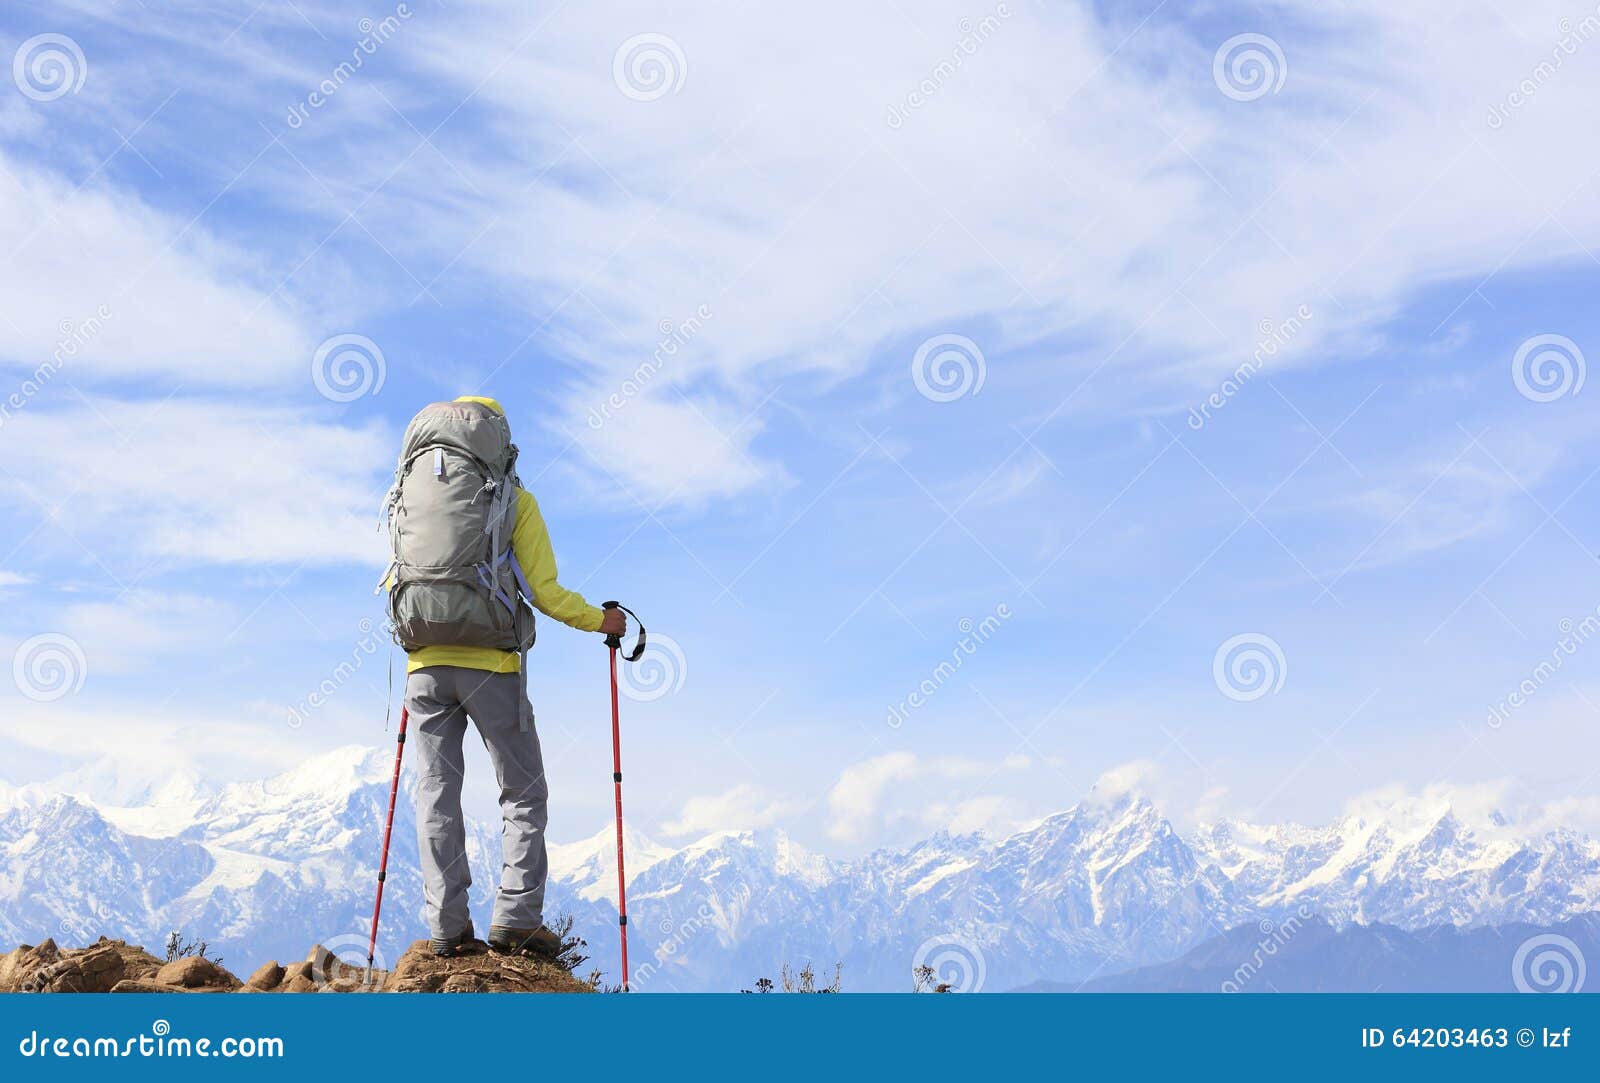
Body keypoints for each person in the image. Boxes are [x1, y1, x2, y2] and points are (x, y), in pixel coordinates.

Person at [390, 396, 625, 958]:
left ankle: (447, 929)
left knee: (435, 794)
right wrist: (602, 620)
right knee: (521, 793)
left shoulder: (409, 496)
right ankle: (516, 918)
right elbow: (545, 594)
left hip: (423, 664)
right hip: (491, 667)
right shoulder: (515, 502)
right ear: (498, 445)